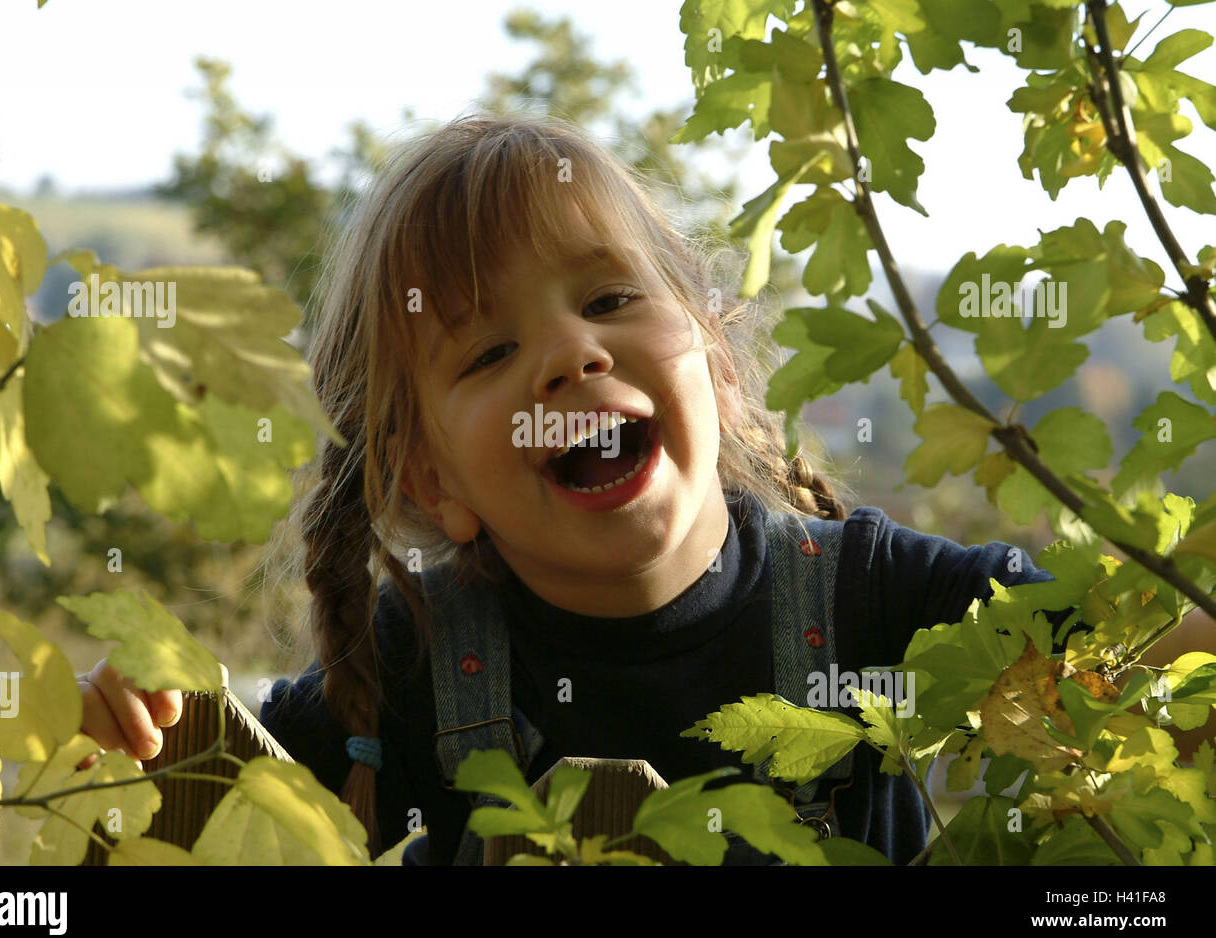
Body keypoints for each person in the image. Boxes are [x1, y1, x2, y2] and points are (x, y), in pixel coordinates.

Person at [78, 113, 1065, 865]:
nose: (569, 353)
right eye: (491, 350)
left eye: (609, 299)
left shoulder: (881, 601)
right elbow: (180, 801)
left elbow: (1122, 642)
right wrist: (125, 735)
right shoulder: (401, 677)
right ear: (432, 478)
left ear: (714, 360)